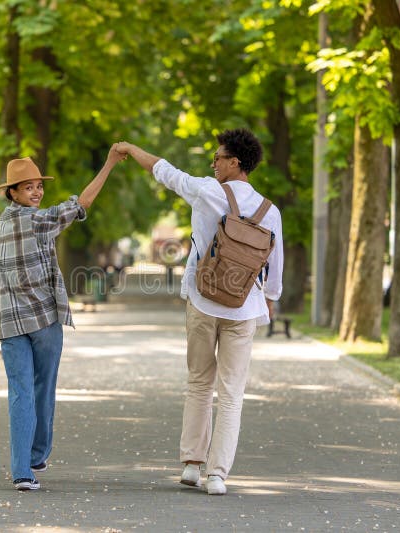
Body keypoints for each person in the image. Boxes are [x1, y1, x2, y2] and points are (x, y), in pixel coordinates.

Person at [117, 128, 283, 496]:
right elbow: (275, 268)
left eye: (218, 158)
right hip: (244, 307)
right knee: (232, 393)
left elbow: (163, 170)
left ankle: (192, 465)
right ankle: (218, 475)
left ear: (234, 162)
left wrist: (130, 146)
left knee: (199, 382)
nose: (213, 164)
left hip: (204, 300)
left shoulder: (208, 191)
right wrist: (268, 300)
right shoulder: (270, 211)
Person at [0, 147, 125, 491]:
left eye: (39, 186)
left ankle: (23, 469)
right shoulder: (38, 221)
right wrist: (109, 162)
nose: (36, 192)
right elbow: (83, 203)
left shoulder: (4, 221)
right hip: (43, 320)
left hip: (9, 321)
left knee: (20, 392)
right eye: (28, 187)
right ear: (12, 193)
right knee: (42, 387)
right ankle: (36, 455)